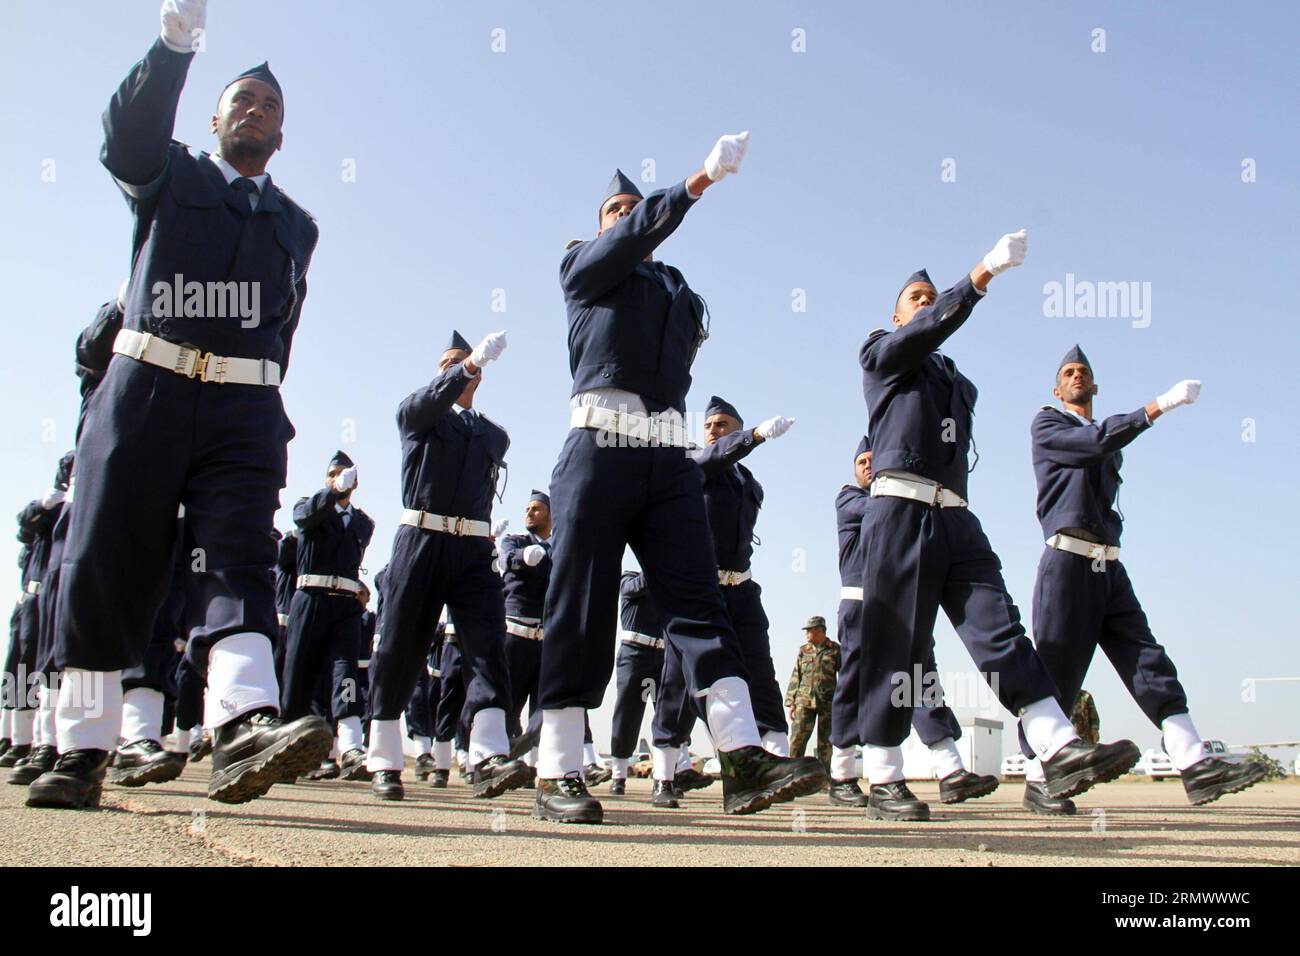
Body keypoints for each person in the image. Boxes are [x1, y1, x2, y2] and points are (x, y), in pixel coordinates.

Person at [29, 0, 330, 809]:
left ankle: (241, 724)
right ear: (215, 115)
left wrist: (264, 395)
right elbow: (122, 138)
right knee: (106, 560)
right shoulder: (173, 172)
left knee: (237, 554)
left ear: (282, 134)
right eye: (243, 100)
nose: (257, 111)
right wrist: (174, 45)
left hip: (241, 406)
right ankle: (82, 748)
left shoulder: (297, 224)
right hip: (147, 389)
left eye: (270, 107)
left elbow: (283, 326)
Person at [535, 135, 825, 823]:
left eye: (633, 207)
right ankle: (557, 768)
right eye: (615, 208)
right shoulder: (583, 264)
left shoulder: (678, 292)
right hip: (600, 443)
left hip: (668, 458)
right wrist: (694, 183)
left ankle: (742, 757)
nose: (626, 215)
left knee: (700, 604)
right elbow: (628, 238)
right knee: (582, 601)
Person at [853, 236, 1140, 822]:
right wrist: (980, 276)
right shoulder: (882, 351)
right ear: (897, 314)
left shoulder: (955, 380)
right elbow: (919, 339)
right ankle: (883, 773)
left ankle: (1056, 742)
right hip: (900, 510)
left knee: (1000, 628)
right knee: (898, 648)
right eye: (916, 298)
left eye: (933, 297)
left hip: (958, 515)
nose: (927, 303)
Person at [1021, 346, 1265, 809]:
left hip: (1109, 563)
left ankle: (1193, 761)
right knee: (1058, 673)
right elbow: (1092, 446)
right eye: (1069, 372)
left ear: (1095, 386)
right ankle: (1039, 776)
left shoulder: (1104, 433)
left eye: (1085, 372)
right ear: (1057, 389)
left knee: (1146, 658)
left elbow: (1103, 444)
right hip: (1068, 561)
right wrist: (1158, 406)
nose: (1077, 376)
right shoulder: (1048, 423)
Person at [364, 330, 526, 801]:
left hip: (474, 548)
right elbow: (429, 400)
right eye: (447, 363)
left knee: (487, 645)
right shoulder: (418, 415)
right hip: (421, 539)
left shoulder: (493, 435)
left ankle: (489, 751)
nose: (456, 367)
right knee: (400, 645)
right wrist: (469, 363)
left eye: (463, 360)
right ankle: (384, 757)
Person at [829, 436, 999, 809]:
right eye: (863, 462)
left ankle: (950, 769)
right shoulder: (850, 498)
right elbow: (884, 514)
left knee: (923, 680)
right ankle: (842, 774)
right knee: (856, 684)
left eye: (877, 460)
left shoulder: (898, 501)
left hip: (904, 600)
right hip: (862, 605)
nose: (870, 467)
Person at [695, 396, 796, 754]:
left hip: (742, 587)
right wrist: (755, 435)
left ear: (734, 429)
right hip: (701, 587)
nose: (712, 431)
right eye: (708, 425)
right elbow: (713, 458)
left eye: (721, 425)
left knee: (759, 666)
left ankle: (776, 747)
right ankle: (670, 767)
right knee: (688, 680)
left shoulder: (749, 482)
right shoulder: (694, 460)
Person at [282, 451, 374, 781]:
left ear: (356, 482)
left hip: (346, 605)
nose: (338, 478)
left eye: (343, 474)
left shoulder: (364, 522)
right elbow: (305, 519)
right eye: (332, 473)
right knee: (299, 672)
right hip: (310, 599)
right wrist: (331, 492)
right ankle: (287, 743)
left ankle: (350, 746)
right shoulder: (309, 506)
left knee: (345, 673)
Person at [785, 617, 839, 774]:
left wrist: (843, 701)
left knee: (826, 742)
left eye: (809, 630)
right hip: (804, 701)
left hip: (828, 702)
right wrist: (792, 702)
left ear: (820, 630)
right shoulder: (804, 650)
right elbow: (797, 675)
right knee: (797, 738)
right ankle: (793, 775)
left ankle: (823, 778)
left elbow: (844, 675)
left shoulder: (835, 650)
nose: (807, 633)